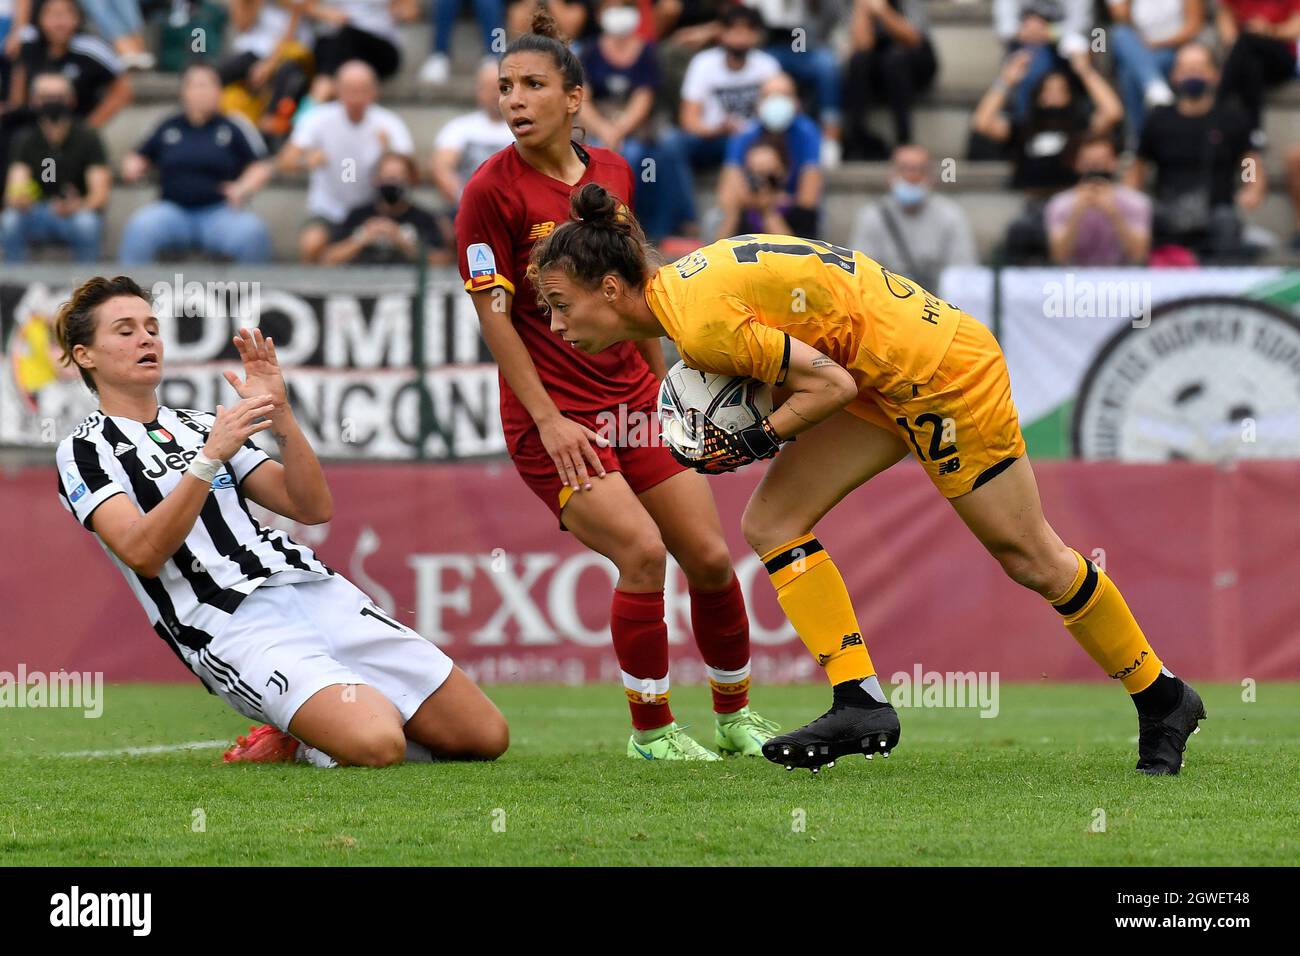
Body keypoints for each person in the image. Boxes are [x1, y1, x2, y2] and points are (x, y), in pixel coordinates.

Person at [528, 182, 1208, 777]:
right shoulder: (686, 290)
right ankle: (859, 703)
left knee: (1030, 557)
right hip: (884, 370)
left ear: (611, 289)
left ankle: (1163, 697)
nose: (556, 325)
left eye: (559, 304)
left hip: (938, 372)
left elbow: (827, 383)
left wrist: (757, 437)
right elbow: (830, 360)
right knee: (771, 523)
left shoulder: (700, 327)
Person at [456, 9, 779, 760]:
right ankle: (653, 733)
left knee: (707, 556)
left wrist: (676, 386)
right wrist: (548, 421)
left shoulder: (613, 171)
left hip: (636, 400)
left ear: (574, 97)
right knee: (641, 553)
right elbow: (495, 318)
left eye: (533, 84)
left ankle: (734, 719)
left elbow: (640, 289)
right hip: (556, 419)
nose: (515, 99)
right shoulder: (487, 193)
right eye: (506, 86)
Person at [53, 275, 508, 768]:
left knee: (485, 736)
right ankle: (309, 735)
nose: (146, 339)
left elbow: (310, 506)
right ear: (85, 356)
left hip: (310, 588)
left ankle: (320, 719)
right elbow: (142, 553)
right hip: (229, 623)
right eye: (124, 330)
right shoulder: (83, 449)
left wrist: (281, 413)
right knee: (378, 744)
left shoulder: (202, 424)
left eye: (151, 327)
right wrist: (206, 463)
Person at [972, 50, 1123, 263]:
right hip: (1035, 205)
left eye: (1060, 90)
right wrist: (1006, 80)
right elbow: (983, 122)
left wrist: (1085, 71)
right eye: (1048, 89)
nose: (1053, 94)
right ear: (1038, 94)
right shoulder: (1025, 126)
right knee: (1019, 238)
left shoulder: (1079, 126)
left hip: (1071, 203)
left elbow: (1113, 112)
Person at [1125, 42, 1267, 261]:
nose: (1193, 75)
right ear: (1174, 75)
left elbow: (1248, 159)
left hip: (1217, 211)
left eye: (1200, 69)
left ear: (1214, 74)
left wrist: (1251, 187)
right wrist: (1131, 197)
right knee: (1147, 218)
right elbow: (1138, 166)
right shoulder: (1158, 119)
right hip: (1168, 210)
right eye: (1186, 69)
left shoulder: (1232, 118)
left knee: (1226, 222)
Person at [118, 64, 273, 264]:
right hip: (172, 211)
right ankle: (129, 293)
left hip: (219, 212)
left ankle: (250, 294)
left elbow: (261, 167)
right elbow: (138, 156)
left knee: (253, 232)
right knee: (140, 227)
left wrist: (241, 188)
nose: (203, 92)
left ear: (219, 92)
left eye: (209, 85)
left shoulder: (233, 126)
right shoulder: (168, 126)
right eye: (197, 86)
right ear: (184, 92)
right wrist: (132, 166)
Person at [279, 59, 414, 262]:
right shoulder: (317, 118)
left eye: (362, 90)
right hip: (327, 209)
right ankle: (310, 291)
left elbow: (410, 170)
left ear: (374, 91)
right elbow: (285, 160)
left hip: (372, 210)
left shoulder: (389, 123)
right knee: (311, 243)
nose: (356, 97)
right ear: (337, 90)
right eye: (350, 89)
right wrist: (307, 161)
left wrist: (388, 152)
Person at [1, 70, 109, 261]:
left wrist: (77, 205)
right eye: (46, 97)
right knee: (10, 220)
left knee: (87, 223)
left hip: (74, 213)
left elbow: (99, 195)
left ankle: (88, 288)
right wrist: (21, 199)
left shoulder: (88, 137)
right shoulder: (25, 138)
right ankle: (13, 286)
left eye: (59, 97)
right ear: (34, 100)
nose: (53, 102)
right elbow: (14, 190)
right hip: (37, 212)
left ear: (71, 100)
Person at [850, 144, 976, 292]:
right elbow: (860, 273)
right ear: (891, 175)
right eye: (904, 169)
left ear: (931, 177)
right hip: (886, 305)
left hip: (937, 306)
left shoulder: (951, 216)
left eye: (920, 170)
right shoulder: (871, 216)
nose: (912, 176)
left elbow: (962, 274)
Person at [715, 72, 821, 239]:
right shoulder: (744, 135)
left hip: (792, 216)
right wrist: (753, 201)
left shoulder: (807, 133)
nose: (777, 101)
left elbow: (808, 198)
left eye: (785, 95)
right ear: (758, 103)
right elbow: (728, 193)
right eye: (769, 96)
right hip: (746, 211)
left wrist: (771, 207)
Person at [7, 0, 132, 129]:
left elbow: (124, 87)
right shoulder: (28, 44)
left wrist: (89, 128)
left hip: (75, 133)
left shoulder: (91, 49)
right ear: (39, 17)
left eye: (66, 14)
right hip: (34, 134)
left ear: (78, 17)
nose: (59, 23)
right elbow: (18, 91)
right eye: (52, 14)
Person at [842, 0, 938, 160]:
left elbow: (913, 38)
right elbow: (862, 45)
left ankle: (904, 141)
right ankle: (857, 138)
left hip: (915, 59)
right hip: (879, 60)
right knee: (858, 61)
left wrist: (881, 10)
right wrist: (862, 8)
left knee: (894, 60)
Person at [322, 150, 451, 264]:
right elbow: (328, 258)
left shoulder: (423, 218)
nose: (392, 183)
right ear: (376, 179)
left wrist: (402, 241)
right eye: (387, 177)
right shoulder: (358, 215)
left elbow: (443, 260)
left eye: (398, 177)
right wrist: (362, 239)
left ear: (411, 180)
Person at [1046, 133, 1151, 265]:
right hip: (1075, 279)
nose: (1096, 169)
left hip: (1122, 279)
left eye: (1102, 163)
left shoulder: (1136, 202)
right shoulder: (1060, 204)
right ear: (1077, 164)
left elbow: (1138, 256)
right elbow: (1058, 258)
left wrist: (1114, 213)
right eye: (1089, 164)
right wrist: (1076, 213)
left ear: (1114, 162)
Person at [1105, 0, 1203, 140]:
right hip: (1139, 50)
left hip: (1174, 48)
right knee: (1119, 34)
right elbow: (1121, 18)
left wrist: (1157, 44)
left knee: (1128, 72)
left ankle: (1136, 141)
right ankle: (1154, 85)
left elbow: (1193, 26)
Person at [429, 59, 515, 209]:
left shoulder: (526, 127)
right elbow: (441, 168)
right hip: (468, 208)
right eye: (489, 88)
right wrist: (467, 201)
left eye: (502, 87)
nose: (495, 94)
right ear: (478, 91)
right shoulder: (459, 128)